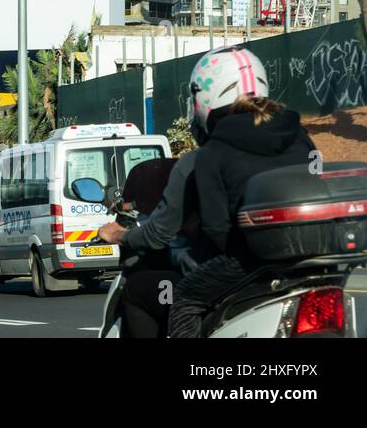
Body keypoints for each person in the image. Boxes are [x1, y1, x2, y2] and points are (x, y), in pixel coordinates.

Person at [166, 45, 316, 338]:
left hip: (251, 260)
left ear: (205, 96)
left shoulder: (214, 151)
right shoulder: (300, 135)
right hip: (309, 255)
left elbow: (216, 228)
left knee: (184, 301)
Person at [98, 155, 199, 338]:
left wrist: (119, 235)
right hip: (255, 273)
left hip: (210, 277)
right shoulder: (258, 157)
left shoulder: (203, 161)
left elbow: (157, 234)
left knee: (134, 290)